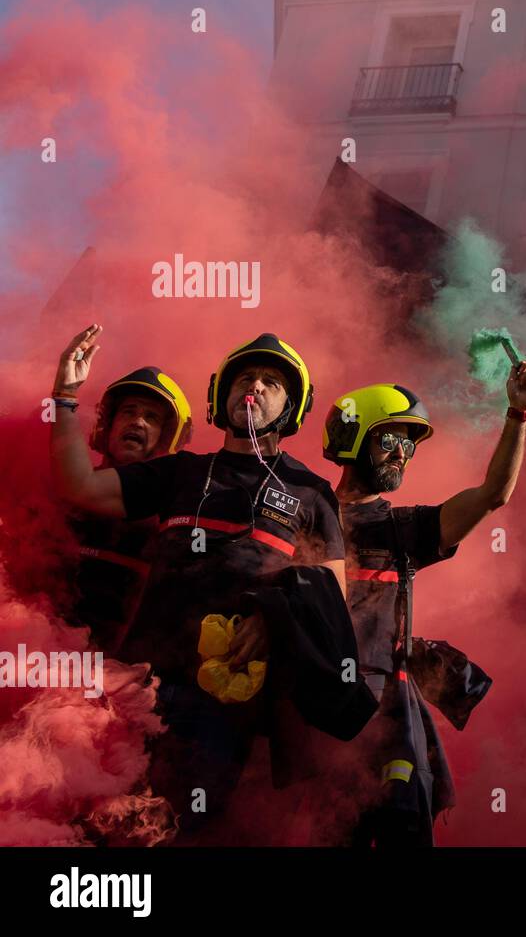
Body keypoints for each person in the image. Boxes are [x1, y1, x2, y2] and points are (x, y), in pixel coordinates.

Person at [49, 326, 348, 840]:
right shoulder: (182, 473)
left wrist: (271, 617)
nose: (252, 386)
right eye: (243, 377)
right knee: (98, 821)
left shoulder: (311, 492)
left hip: (225, 703)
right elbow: (80, 487)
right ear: (220, 395)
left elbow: (333, 592)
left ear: (293, 406)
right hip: (139, 686)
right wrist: (65, 398)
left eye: (270, 381)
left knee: (182, 829)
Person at [321, 367, 526, 845]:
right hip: (316, 719)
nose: (402, 454)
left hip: (388, 720)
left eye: (409, 444)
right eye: (389, 441)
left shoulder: (404, 529)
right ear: (350, 439)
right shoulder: (302, 512)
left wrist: (518, 414)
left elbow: (492, 495)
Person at [72, 367, 192, 652]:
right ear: (108, 425)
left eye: (151, 417)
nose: (138, 421)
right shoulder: (57, 500)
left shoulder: (175, 521)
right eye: (128, 411)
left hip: (124, 673)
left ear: (167, 437)